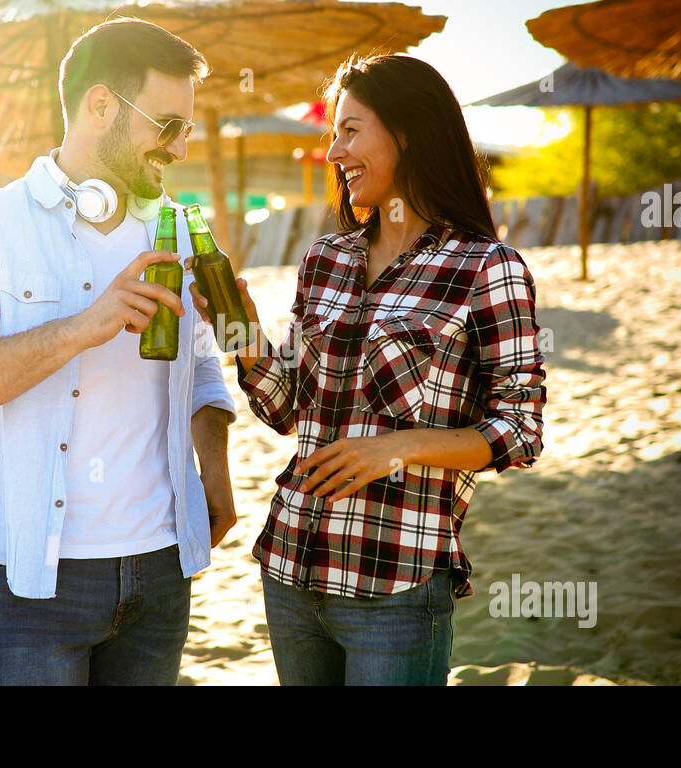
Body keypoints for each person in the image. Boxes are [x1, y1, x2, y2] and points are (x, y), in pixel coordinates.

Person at [190, 54, 547, 685]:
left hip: (396, 585)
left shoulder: (487, 268)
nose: (333, 152)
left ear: (407, 133)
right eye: (334, 133)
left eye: (350, 131)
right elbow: (287, 408)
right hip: (292, 569)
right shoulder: (326, 258)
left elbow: (519, 432)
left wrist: (398, 449)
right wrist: (240, 331)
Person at [0, 18, 237, 686]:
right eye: (168, 125)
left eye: (187, 129)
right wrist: (84, 326)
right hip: (33, 580)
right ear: (100, 106)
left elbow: (200, 357)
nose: (178, 147)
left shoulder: (179, 226)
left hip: (162, 569)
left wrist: (217, 463)